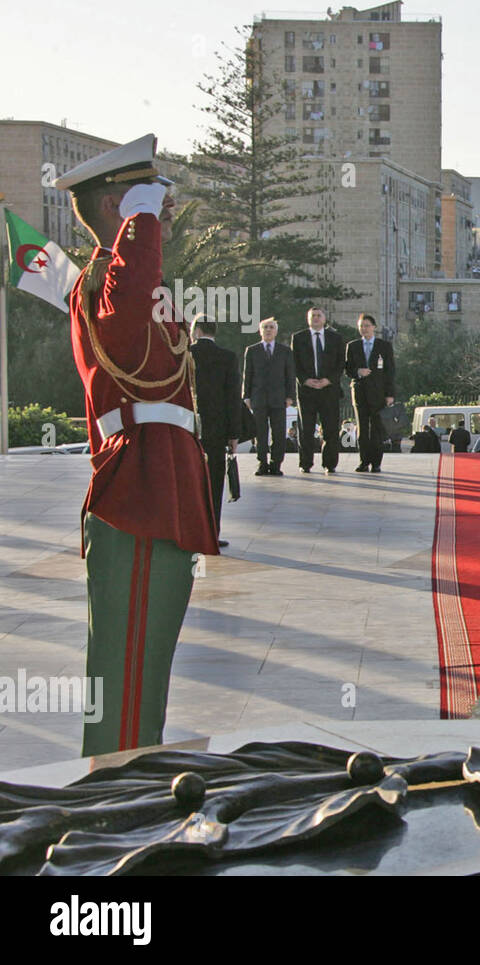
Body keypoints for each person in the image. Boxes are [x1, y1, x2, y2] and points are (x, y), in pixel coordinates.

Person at [55, 133, 219, 755]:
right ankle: (110, 802)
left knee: (145, 676)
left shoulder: (135, 283)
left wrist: (144, 214)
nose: (168, 209)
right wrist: (140, 222)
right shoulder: (104, 284)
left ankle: (135, 783)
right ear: (114, 209)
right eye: (152, 198)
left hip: (164, 491)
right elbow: (126, 325)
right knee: (123, 678)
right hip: (136, 496)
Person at [190, 316, 242, 547]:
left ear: (197, 331)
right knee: (214, 480)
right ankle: (211, 532)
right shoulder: (228, 357)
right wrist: (233, 434)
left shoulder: (184, 355)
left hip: (186, 425)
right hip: (217, 429)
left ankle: (188, 531)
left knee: (188, 479)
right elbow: (233, 399)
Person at [291, 306, 344, 474]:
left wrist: (328, 380)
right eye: (312, 316)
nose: (315, 318)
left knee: (330, 429)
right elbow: (294, 363)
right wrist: (305, 380)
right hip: (307, 390)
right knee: (306, 429)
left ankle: (330, 463)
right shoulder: (298, 338)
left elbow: (341, 363)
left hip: (329, 389)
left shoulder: (335, 338)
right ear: (308, 319)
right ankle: (305, 463)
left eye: (318, 315)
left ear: (324, 318)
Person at [242, 317, 295, 476]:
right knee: (260, 433)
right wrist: (246, 396)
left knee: (279, 432)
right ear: (260, 331)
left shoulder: (285, 351)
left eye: (271, 327)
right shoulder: (252, 350)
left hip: (279, 398)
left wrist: (290, 396)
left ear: (276, 331)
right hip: (258, 398)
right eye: (265, 327)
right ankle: (262, 462)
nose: (268, 330)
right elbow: (248, 375)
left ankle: (276, 463)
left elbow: (290, 375)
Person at [344, 314, 395, 472]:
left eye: (367, 325)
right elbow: (347, 369)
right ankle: (364, 461)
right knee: (363, 428)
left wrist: (390, 394)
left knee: (377, 428)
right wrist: (358, 372)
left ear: (374, 327)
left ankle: (376, 462)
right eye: (361, 326)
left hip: (378, 393)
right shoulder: (353, 346)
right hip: (360, 392)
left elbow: (390, 371)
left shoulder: (384, 346)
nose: (364, 329)